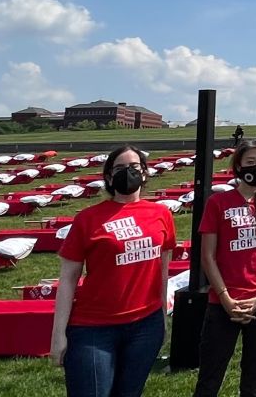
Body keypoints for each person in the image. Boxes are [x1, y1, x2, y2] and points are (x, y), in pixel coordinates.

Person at [50, 145, 176, 397]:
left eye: (134, 167)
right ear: (108, 177)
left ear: (144, 173)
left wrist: (162, 318)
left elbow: (162, 272)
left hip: (145, 325)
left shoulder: (161, 214)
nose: (128, 172)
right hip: (94, 327)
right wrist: (58, 334)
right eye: (120, 168)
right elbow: (68, 278)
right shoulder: (88, 218)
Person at [195, 140, 256, 397]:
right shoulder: (218, 202)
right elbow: (208, 256)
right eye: (250, 162)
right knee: (209, 380)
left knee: (253, 383)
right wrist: (226, 299)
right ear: (238, 166)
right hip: (223, 302)